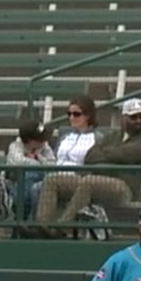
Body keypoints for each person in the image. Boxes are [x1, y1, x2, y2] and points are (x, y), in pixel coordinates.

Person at [55, 98, 141, 237]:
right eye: (133, 117)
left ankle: (63, 227)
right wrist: (114, 157)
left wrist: (107, 156)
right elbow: (90, 156)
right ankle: (43, 227)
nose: (138, 121)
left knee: (89, 181)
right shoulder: (113, 136)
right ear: (123, 118)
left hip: (126, 187)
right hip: (101, 182)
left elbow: (126, 154)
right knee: (54, 180)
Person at [35, 95, 104, 237]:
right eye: (69, 114)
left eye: (77, 114)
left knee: (50, 181)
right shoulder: (65, 136)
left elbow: (96, 162)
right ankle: (25, 228)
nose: (72, 117)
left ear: (88, 116)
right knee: (33, 186)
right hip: (57, 173)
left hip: (80, 177)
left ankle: (42, 227)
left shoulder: (97, 138)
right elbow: (55, 159)